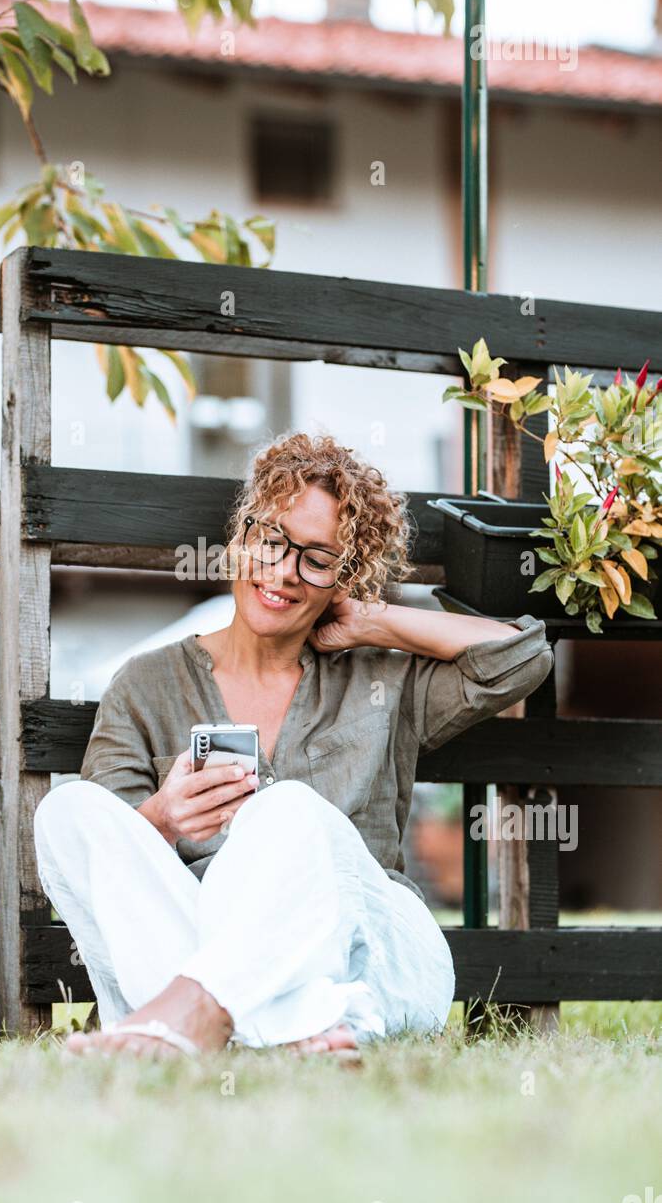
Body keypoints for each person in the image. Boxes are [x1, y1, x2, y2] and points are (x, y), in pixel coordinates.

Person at [34, 432, 554, 1061]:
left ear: (344, 577)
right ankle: (292, 1028)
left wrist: (372, 621)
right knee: (66, 813)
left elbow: (520, 658)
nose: (284, 571)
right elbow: (110, 865)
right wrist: (162, 822)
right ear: (240, 539)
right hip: (198, 937)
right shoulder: (147, 685)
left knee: (288, 809)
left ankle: (189, 1020)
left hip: (375, 953)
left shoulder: (381, 679)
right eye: (272, 540)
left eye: (316, 558)